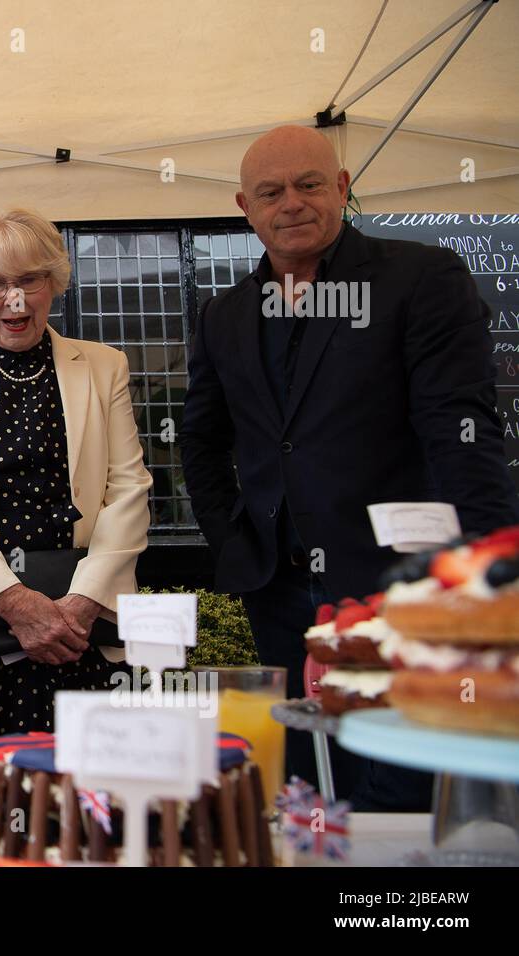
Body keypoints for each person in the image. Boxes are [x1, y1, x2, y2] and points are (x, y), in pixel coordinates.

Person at [179, 125, 519, 809]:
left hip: (398, 586)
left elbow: (461, 428)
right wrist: (234, 539)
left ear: (341, 188)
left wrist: (489, 566)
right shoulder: (225, 313)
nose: (292, 204)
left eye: (309, 184)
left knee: (405, 779)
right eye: (271, 192)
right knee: (308, 786)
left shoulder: (421, 277)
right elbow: (201, 439)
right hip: (278, 590)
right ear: (246, 207)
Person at [0, 208, 153, 776]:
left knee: (81, 810)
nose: (13, 299)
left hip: (76, 630)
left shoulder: (105, 368)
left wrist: (80, 605)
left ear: (54, 283)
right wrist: (14, 602)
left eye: (28, 280)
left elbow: (129, 492)